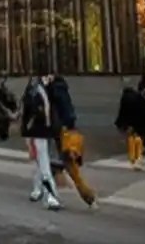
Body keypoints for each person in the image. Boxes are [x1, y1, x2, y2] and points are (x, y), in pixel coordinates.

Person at [48, 73, 96, 209]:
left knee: (56, 165)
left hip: (61, 133)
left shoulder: (55, 92)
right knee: (71, 169)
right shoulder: (63, 92)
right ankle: (88, 196)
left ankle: (53, 196)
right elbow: (70, 114)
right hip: (68, 132)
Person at [21, 74, 62, 211]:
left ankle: (37, 190)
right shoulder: (37, 92)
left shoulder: (38, 91)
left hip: (38, 131)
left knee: (40, 162)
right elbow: (35, 113)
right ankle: (51, 196)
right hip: (38, 132)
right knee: (44, 163)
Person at [117, 79, 145, 170]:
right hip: (138, 120)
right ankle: (139, 157)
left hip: (129, 120)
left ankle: (133, 157)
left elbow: (122, 112)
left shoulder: (125, 98)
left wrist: (121, 123)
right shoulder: (138, 96)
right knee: (138, 138)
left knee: (131, 138)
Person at [0, 77, 19, 141]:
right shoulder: (2, 92)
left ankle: (3, 133)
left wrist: (14, 109)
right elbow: (13, 101)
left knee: (3, 122)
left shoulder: (1, 92)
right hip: (3, 110)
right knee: (3, 122)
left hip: (3, 110)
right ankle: (3, 133)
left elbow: (13, 101)